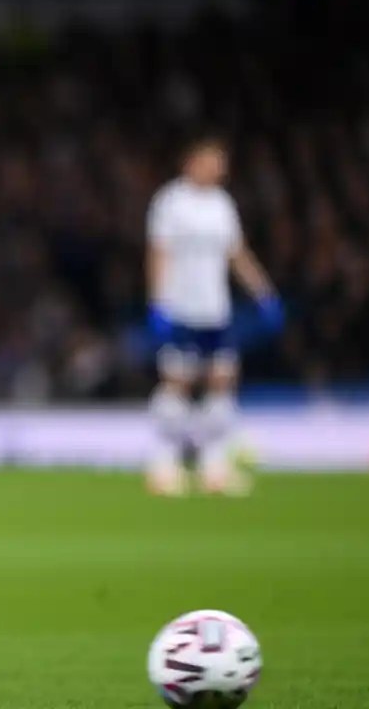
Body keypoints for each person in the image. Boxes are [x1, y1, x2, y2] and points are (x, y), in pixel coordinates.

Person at [145, 135, 284, 497]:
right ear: (190, 161)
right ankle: (164, 464)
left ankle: (213, 465)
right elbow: (159, 253)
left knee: (222, 379)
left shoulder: (222, 204)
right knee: (178, 381)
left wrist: (264, 293)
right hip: (181, 305)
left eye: (220, 161)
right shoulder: (171, 202)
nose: (218, 168)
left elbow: (236, 253)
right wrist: (158, 302)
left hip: (215, 309)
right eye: (210, 160)